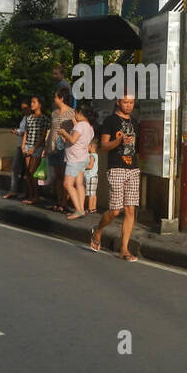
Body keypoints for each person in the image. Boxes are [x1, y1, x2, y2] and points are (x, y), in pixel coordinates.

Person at [90, 94, 139, 261]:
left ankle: (124, 249)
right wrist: (119, 141)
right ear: (118, 102)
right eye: (125, 102)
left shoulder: (135, 122)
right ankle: (98, 229)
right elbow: (103, 146)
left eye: (131, 102)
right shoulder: (110, 121)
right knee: (115, 210)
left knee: (130, 209)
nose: (128, 105)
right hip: (116, 167)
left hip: (133, 168)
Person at [59, 104, 94, 219]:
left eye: (76, 113)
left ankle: (78, 210)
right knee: (79, 184)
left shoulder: (80, 126)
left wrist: (64, 133)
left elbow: (73, 140)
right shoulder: (89, 127)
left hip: (74, 159)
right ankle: (81, 209)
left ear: (79, 113)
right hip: (83, 158)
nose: (74, 115)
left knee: (67, 184)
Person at [46, 86, 76, 212]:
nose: (54, 99)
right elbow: (52, 130)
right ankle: (58, 201)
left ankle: (64, 202)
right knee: (58, 176)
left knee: (65, 176)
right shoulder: (54, 112)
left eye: (56, 97)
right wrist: (47, 146)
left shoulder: (72, 113)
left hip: (64, 147)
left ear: (61, 98)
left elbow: (76, 128)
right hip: (53, 147)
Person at [21, 95, 51, 205]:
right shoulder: (29, 117)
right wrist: (23, 145)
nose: (31, 104)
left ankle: (36, 196)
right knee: (28, 173)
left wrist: (34, 148)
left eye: (34, 102)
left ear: (40, 104)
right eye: (31, 102)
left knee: (32, 171)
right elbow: (26, 132)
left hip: (37, 147)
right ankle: (30, 195)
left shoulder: (44, 118)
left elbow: (43, 136)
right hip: (28, 145)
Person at [2, 100, 30, 199]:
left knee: (27, 170)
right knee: (15, 168)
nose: (24, 111)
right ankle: (13, 190)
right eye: (22, 109)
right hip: (20, 145)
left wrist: (18, 132)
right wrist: (17, 132)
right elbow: (22, 131)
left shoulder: (32, 119)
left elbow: (26, 133)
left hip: (27, 146)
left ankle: (27, 192)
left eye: (25, 108)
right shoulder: (24, 118)